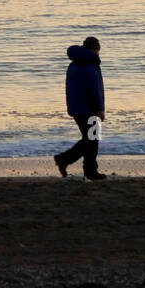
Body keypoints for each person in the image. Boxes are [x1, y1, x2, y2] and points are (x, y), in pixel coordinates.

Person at [54, 36, 106, 180]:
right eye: (98, 50)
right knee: (92, 139)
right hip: (89, 108)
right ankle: (71, 162)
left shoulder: (74, 64)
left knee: (90, 138)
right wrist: (100, 109)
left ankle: (84, 167)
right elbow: (94, 90)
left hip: (76, 107)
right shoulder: (90, 66)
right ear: (95, 49)